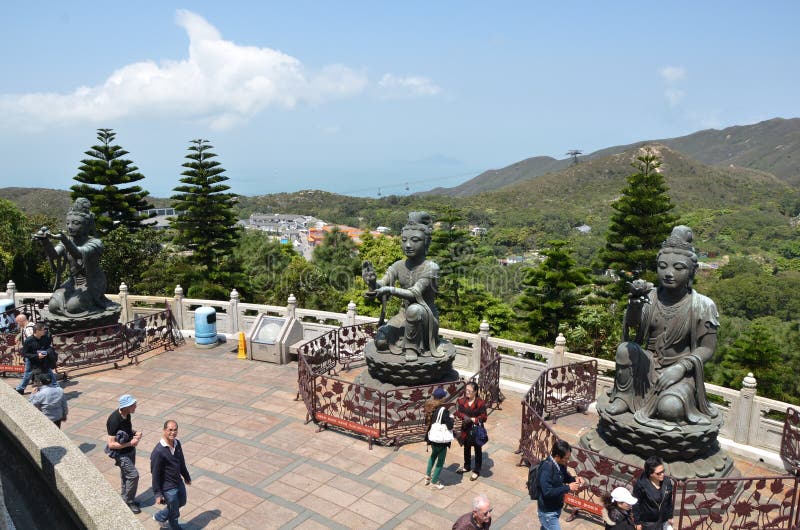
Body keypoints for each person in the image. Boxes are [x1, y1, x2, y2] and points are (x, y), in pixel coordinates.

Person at [604, 226, 720, 429]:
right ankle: (624, 396)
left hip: (678, 373)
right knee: (625, 349)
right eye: (663, 266)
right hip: (646, 366)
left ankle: (668, 401)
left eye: (678, 268)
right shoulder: (650, 296)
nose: (668, 273)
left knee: (670, 409)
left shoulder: (703, 305)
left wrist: (680, 367)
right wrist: (634, 305)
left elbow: (708, 348)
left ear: (692, 271)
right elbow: (632, 327)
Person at [363, 211, 440, 362]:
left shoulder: (431, 267)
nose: (408, 245)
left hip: (425, 316)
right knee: (381, 342)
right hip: (402, 315)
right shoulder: (398, 265)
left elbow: (414, 293)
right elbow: (382, 283)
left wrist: (388, 290)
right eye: (404, 240)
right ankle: (399, 341)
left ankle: (412, 346)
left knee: (414, 309)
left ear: (426, 243)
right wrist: (372, 282)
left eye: (415, 240)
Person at [34, 197, 117, 317]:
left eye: (75, 223)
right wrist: (45, 241)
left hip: (92, 281)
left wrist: (66, 240)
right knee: (53, 306)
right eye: (68, 223)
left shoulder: (95, 243)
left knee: (73, 307)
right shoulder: (66, 241)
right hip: (72, 282)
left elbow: (78, 254)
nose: (70, 226)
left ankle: (93, 307)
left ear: (87, 225)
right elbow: (54, 255)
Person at [151, 420, 192, 529]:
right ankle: (174, 527)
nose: (173, 432)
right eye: (170, 430)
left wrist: (186, 476)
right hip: (168, 487)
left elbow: (181, 462)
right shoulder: (158, 451)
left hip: (178, 481)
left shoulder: (177, 443)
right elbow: (155, 474)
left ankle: (160, 516)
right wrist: (158, 494)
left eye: (175, 430)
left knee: (182, 501)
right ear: (164, 430)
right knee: (174, 512)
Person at [106, 394, 143, 513]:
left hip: (130, 451)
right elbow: (111, 444)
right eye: (133, 405)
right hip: (121, 454)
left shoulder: (127, 415)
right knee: (133, 475)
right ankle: (129, 500)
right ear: (126, 406)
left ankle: (125, 498)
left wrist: (135, 432)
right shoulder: (113, 420)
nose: (135, 407)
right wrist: (130, 443)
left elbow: (127, 430)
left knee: (126, 475)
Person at [537, 439, 583, 530]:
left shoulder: (559, 464)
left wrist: (575, 479)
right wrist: (568, 487)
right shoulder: (546, 468)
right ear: (557, 456)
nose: (567, 461)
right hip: (548, 512)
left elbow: (564, 476)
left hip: (556, 507)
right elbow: (547, 492)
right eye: (566, 458)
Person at [455, 381, 488, 481]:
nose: (467, 393)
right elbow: (458, 412)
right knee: (466, 448)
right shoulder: (462, 401)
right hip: (465, 428)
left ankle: (477, 470)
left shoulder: (480, 403)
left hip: (476, 429)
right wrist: (464, 416)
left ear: (475, 392)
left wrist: (475, 419)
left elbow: (484, 417)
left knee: (477, 450)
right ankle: (467, 466)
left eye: (469, 391)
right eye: (466, 390)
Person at [15, 322, 58, 395]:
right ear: (37, 331)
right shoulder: (28, 341)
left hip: (44, 359)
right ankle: (21, 388)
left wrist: (46, 353)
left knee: (48, 370)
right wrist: (37, 356)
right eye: (43, 330)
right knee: (29, 373)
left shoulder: (45, 338)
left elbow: (49, 348)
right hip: (32, 360)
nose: (45, 331)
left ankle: (56, 387)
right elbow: (24, 353)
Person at [632, 456, 674, 530]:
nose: (662, 474)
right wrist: (637, 522)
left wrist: (670, 516)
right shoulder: (641, 485)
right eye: (658, 473)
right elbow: (636, 503)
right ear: (650, 474)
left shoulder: (667, 482)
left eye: (663, 471)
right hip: (648, 522)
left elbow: (669, 500)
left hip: (663, 519)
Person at [424, 386, 454, 490]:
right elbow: (450, 426)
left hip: (432, 438)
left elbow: (426, 422)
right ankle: (434, 482)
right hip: (441, 440)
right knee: (440, 461)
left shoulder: (429, 407)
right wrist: (451, 418)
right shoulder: (443, 410)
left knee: (433, 456)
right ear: (442, 398)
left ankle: (427, 476)